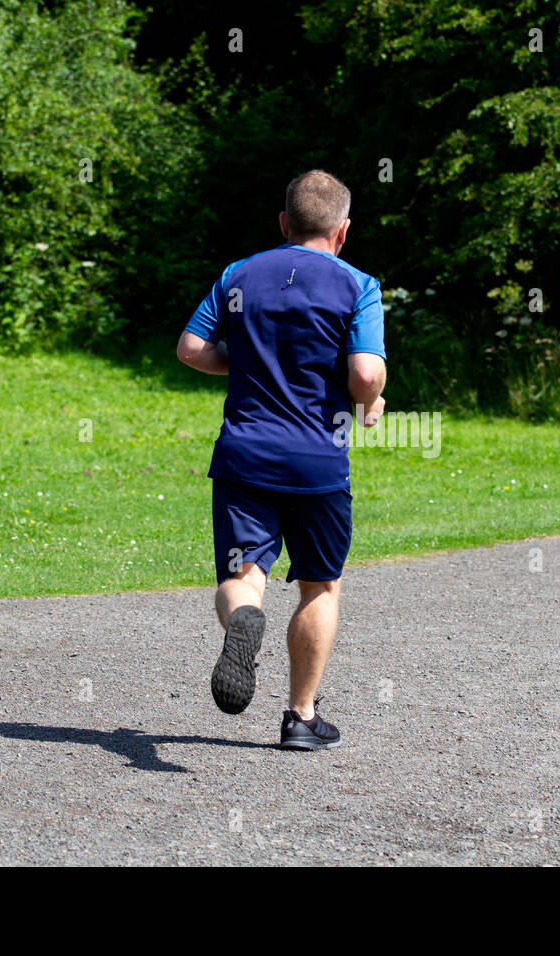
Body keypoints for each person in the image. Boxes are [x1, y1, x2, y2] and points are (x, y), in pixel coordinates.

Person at [176, 169, 386, 750]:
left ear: (283, 222)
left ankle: (244, 619)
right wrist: (370, 399)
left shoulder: (238, 274)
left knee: (243, 576)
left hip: (245, 455)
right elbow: (365, 372)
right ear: (343, 231)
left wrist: (243, 364)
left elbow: (191, 348)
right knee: (320, 585)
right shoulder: (357, 284)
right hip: (317, 462)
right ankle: (299, 717)